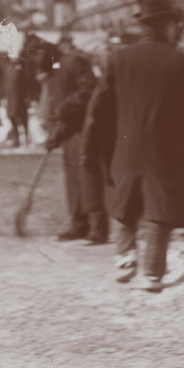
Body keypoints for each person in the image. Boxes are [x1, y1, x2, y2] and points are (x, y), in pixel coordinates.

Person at [83, 0, 184, 294]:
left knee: (124, 206)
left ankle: (125, 258)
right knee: (159, 212)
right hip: (167, 153)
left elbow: (97, 110)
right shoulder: (181, 62)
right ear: (166, 25)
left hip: (124, 149)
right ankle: (152, 272)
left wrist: (90, 149)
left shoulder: (118, 59)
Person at [43, 33, 108, 244]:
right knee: (73, 179)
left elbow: (88, 88)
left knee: (88, 177)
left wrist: (66, 107)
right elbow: (57, 105)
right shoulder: (52, 70)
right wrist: (55, 134)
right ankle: (79, 224)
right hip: (70, 132)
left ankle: (98, 228)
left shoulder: (74, 61)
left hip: (86, 129)